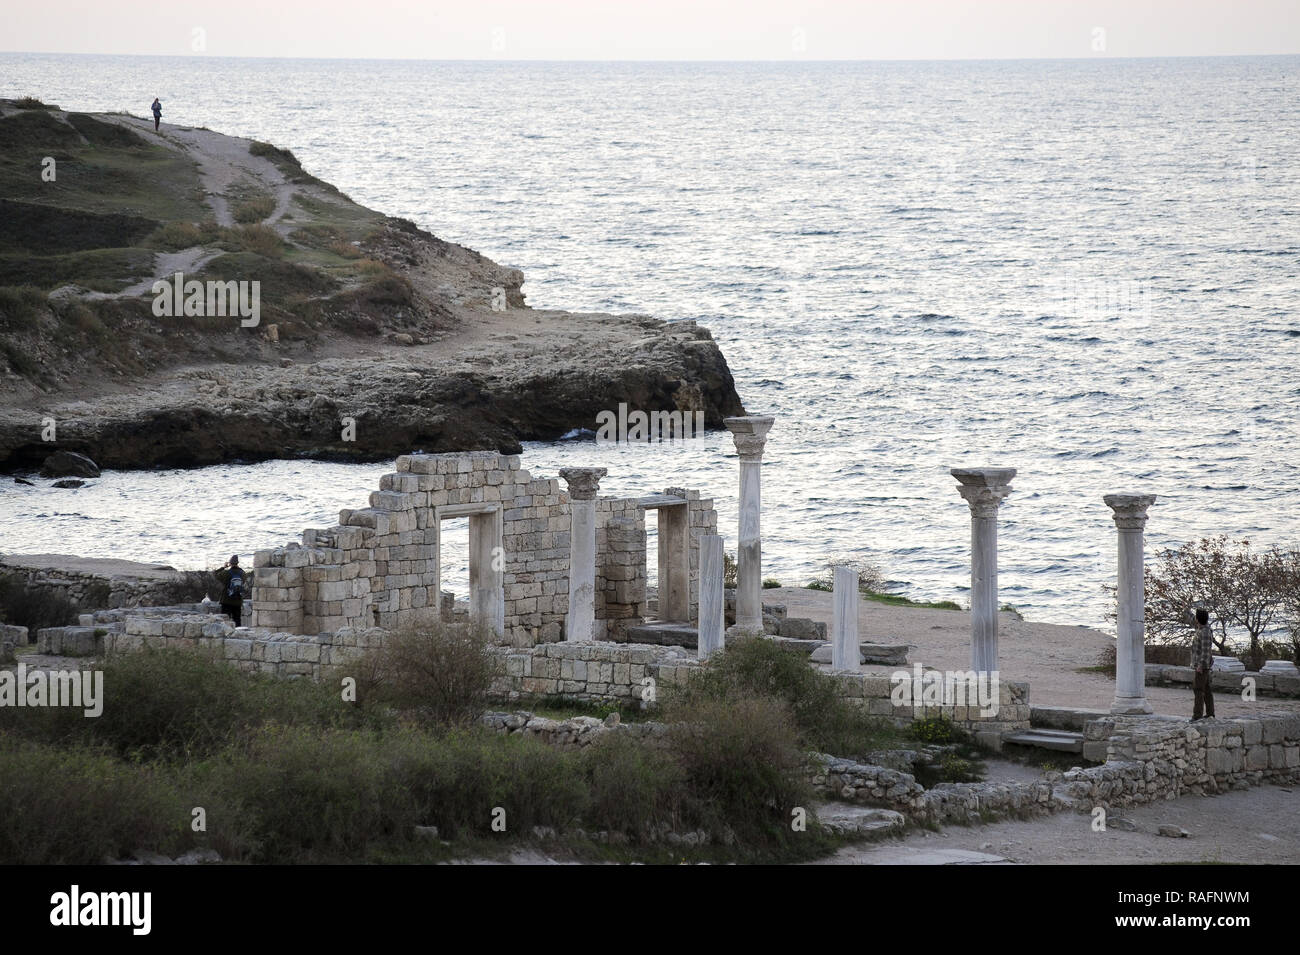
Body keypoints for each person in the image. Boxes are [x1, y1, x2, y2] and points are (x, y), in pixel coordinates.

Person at [1191, 607, 1215, 721]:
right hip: (1202, 665)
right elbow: (1191, 619)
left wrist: (1200, 665)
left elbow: (1206, 651)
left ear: (1198, 619)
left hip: (1203, 666)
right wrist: (1185, 609)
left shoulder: (1205, 632)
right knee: (1206, 689)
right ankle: (1210, 713)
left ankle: (1197, 715)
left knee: (1198, 689)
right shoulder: (1202, 628)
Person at [215, 555, 246, 627]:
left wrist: (224, 567)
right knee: (237, 619)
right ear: (237, 563)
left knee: (225, 619)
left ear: (230, 563)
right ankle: (238, 633)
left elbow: (216, 574)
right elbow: (243, 582)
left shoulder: (226, 573)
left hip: (226, 600)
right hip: (238, 600)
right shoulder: (243, 574)